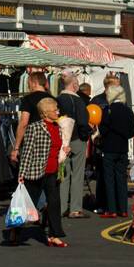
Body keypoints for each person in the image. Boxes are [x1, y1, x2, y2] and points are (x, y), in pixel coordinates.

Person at [12, 97, 68, 247]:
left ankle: (54, 235)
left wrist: (65, 150)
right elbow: (27, 152)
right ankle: (16, 230)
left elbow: (59, 148)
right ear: (46, 112)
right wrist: (21, 175)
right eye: (55, 109)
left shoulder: (59, 127)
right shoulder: (35, 127)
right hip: (35, 172)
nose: (58, 111)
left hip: (53, 171)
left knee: (54, 203)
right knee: (27, 204)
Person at [95, 78, 134, 219]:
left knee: (109, 179)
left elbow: (103, 129)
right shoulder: (128, 111)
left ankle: (112, 209)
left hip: (109, 148)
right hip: (123, 148)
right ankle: (123, 209)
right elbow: (133, 130)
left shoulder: (108, 110)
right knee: (121, 179)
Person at [56, 73, 91, 219]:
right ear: (74, 85)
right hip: (77, 139)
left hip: (62, 140)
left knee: (63, 174)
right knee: (77, 175)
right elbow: (83, 122)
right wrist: (86, 135)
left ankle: (62, 207)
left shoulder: (57, 100)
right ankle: (75, 209)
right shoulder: (79, 101)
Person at [11, 71, 53, 165]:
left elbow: (23, 123)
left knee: (32, 175)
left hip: (33, 143)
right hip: (51, 142)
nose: (28, 86)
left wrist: (16, 147)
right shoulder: (53, 98)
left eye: (28, 83)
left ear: (34, 83)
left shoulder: (28, 99)